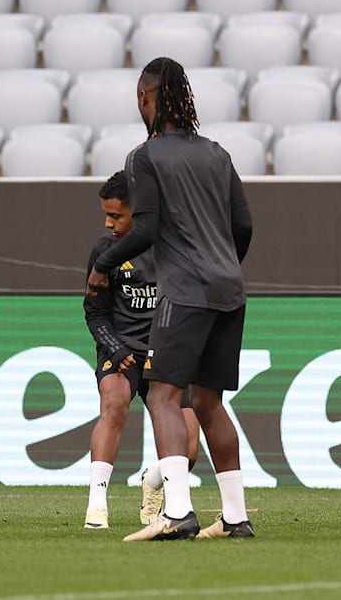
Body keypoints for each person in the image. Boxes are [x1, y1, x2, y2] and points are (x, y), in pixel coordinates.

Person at [87, 57, 254, 541]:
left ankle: (178, 511)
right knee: (208, 401)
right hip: (229, 289)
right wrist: (222, 263)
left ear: (145, 98)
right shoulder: (218, 153)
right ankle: (235, 518)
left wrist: (103, 265)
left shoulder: (144, 156)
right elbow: (243, 226)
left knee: (162, 394)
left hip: (185, 291)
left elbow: (145, 230)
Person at [83, 171, 200, 530]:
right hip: (122, 350)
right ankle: (96, 507)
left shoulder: (176, 247)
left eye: (115, 215)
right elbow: (94, 311)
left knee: (190, 450)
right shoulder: (104, 251)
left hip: (166, 350)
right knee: (114, 404)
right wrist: (115, 349)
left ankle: (154, 479)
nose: (108, 223)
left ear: (139, 211)